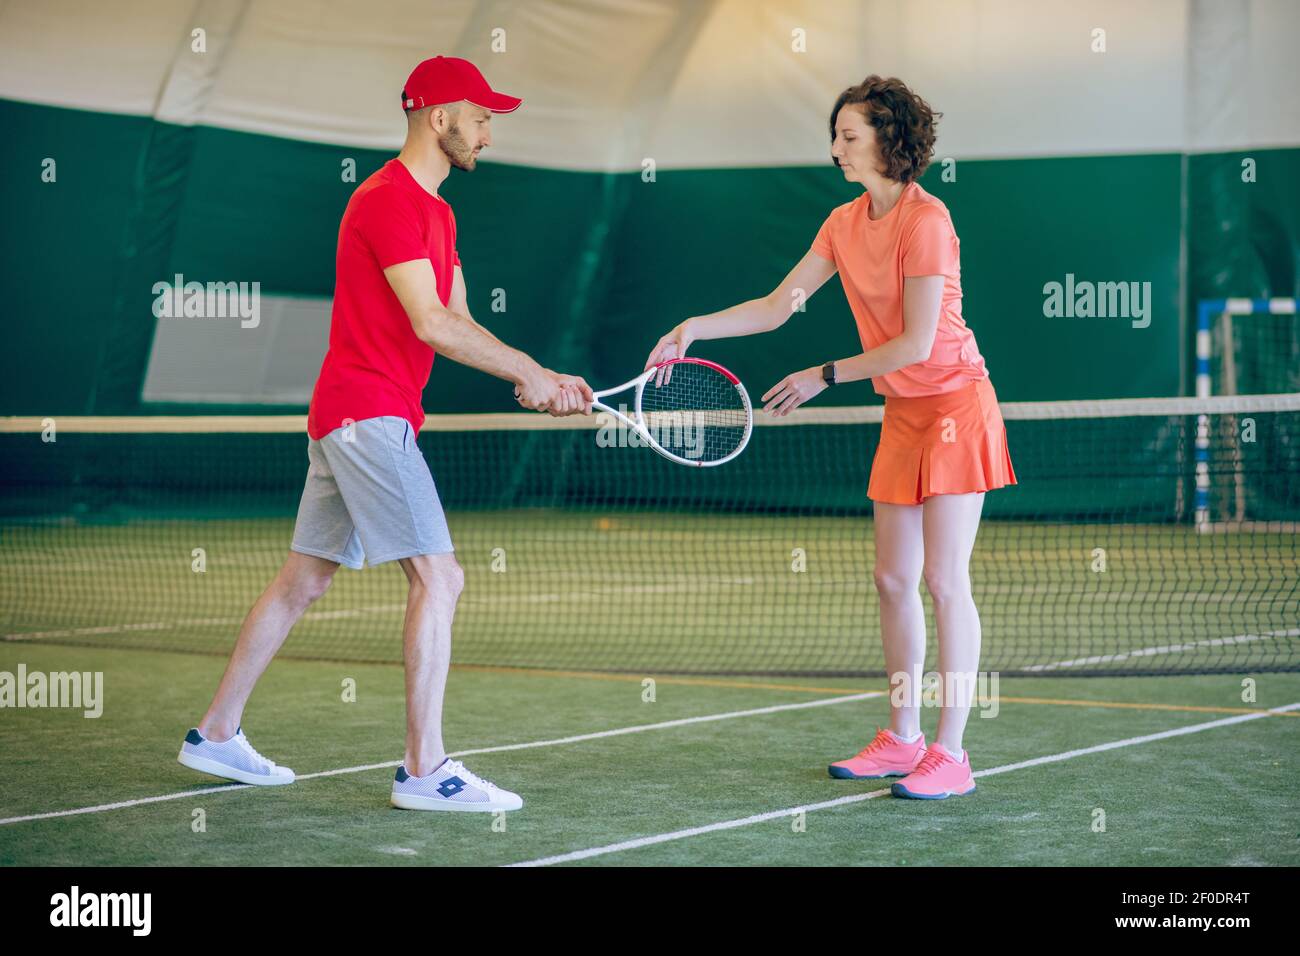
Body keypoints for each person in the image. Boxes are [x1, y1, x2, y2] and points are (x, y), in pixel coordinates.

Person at [178, 56, 592, 813]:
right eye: (482, 115)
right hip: (367, 414)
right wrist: (527, 370)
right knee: (441, 578)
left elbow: (457, 322)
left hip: (357, 413)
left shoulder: (440, 212)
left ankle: (215, 733)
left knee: (305, 578)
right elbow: (428, 321)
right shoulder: (385, 200)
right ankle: (425, 770)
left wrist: (542, 377)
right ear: (440, 118)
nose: (489, 132)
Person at [645, 75, 1016, 800]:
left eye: (850, 136)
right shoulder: (842, 224)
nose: (837, 149)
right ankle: (902, 736)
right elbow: (779, 305)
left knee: (944, 581)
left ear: (888, 139)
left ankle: (952, 752)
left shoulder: (928, 220)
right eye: (836, 136)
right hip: (904, 414)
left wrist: (825, 373)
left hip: (955, 405)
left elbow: (912, 343)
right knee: (890, 580)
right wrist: (695, 326)